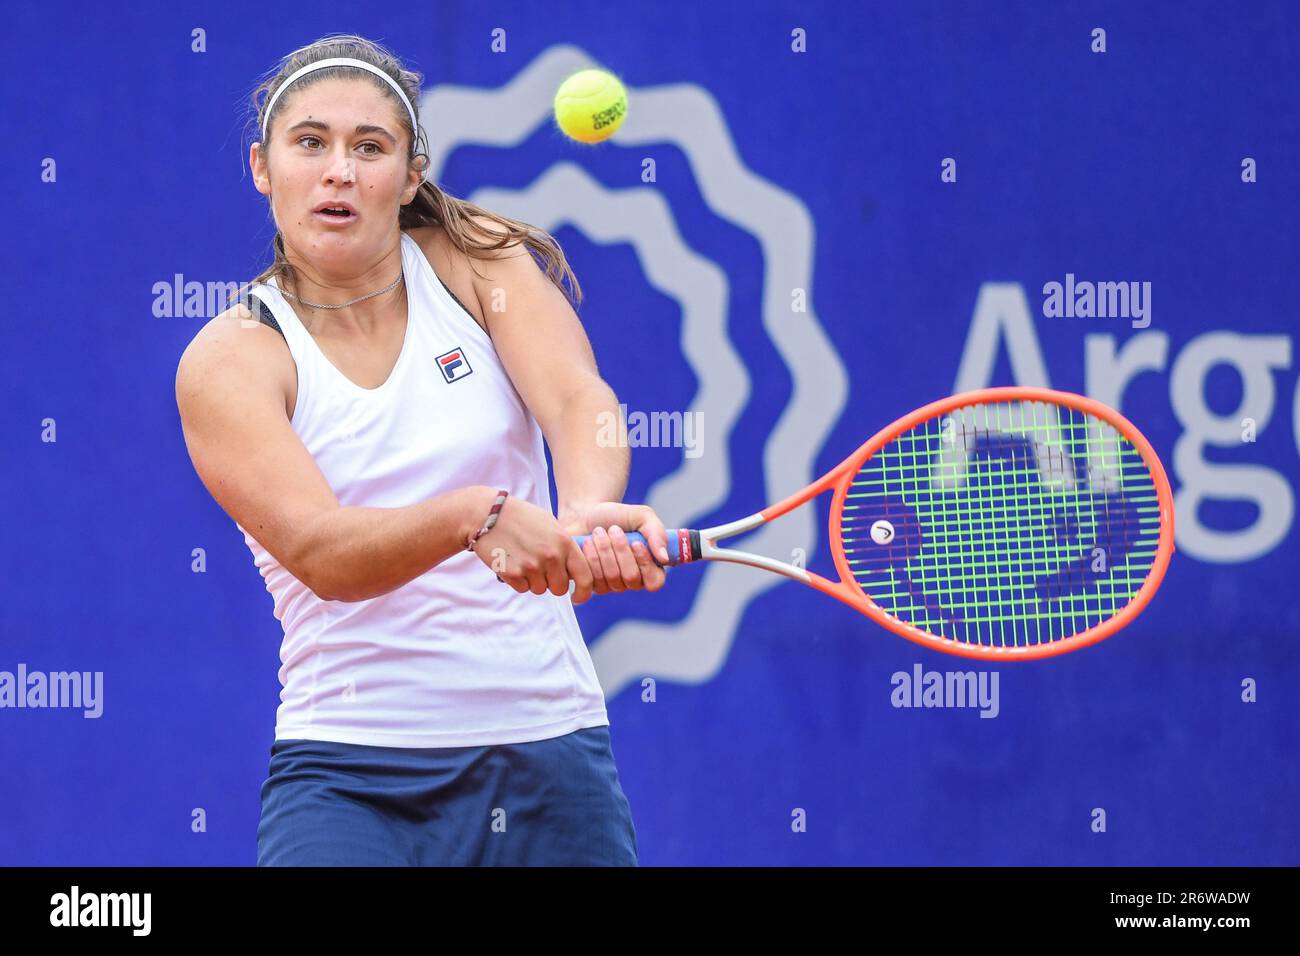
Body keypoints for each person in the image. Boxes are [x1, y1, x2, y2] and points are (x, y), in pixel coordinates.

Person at [175, 34, 670, 866]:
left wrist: (585, 507)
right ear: (263, 167)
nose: (339, 171)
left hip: (548, 753)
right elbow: (322, 554)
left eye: (370, 148)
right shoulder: (230, 360)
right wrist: (477, 516)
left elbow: (580, 398)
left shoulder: (475, 262)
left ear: (409, 178)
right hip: (346, 776)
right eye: (311, 143)